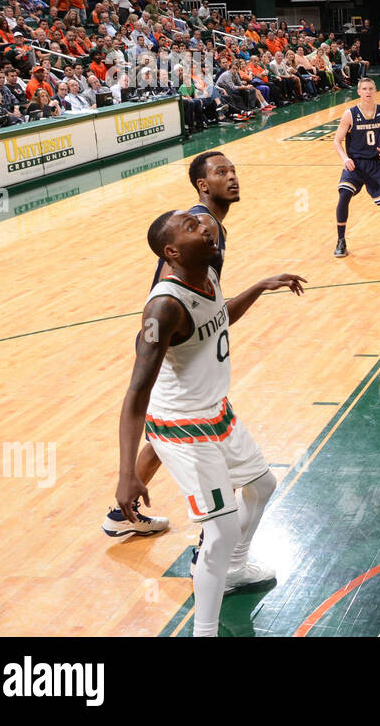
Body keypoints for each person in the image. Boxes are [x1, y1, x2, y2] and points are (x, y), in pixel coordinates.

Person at [115, 209, 305, 636]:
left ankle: (235, 570)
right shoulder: (163, 306)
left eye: (202, 222)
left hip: (215, 410)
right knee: (218, 531)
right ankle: (204, 631)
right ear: (171, 252)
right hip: (179, 425)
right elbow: (135, 396)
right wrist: (127, 473)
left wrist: (258, 287)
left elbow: (216, 316)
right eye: (190, 226)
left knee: (262, 485)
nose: (205, 225)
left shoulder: (208, 271)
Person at [102, 150, 241, 538]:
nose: (232, 177)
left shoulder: (208, 225)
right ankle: (208, 542)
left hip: (174, 338)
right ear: (202, 185)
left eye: (233, 170)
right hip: (169, 340)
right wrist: (171, 336)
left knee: (171, 434)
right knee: (198, 437)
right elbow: (175, 291)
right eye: (221, 172)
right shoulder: (202, 227)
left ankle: (120, 516)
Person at [333, 77, 380, 257]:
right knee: (344, 195)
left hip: (376, 164)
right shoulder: (350, 114)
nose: (368, 92)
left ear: (375, 90)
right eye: (364, 89)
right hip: (355, 164)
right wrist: (344, 158)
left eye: (371, 88)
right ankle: (341, 240)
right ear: (359, 92)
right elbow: (336, 140)